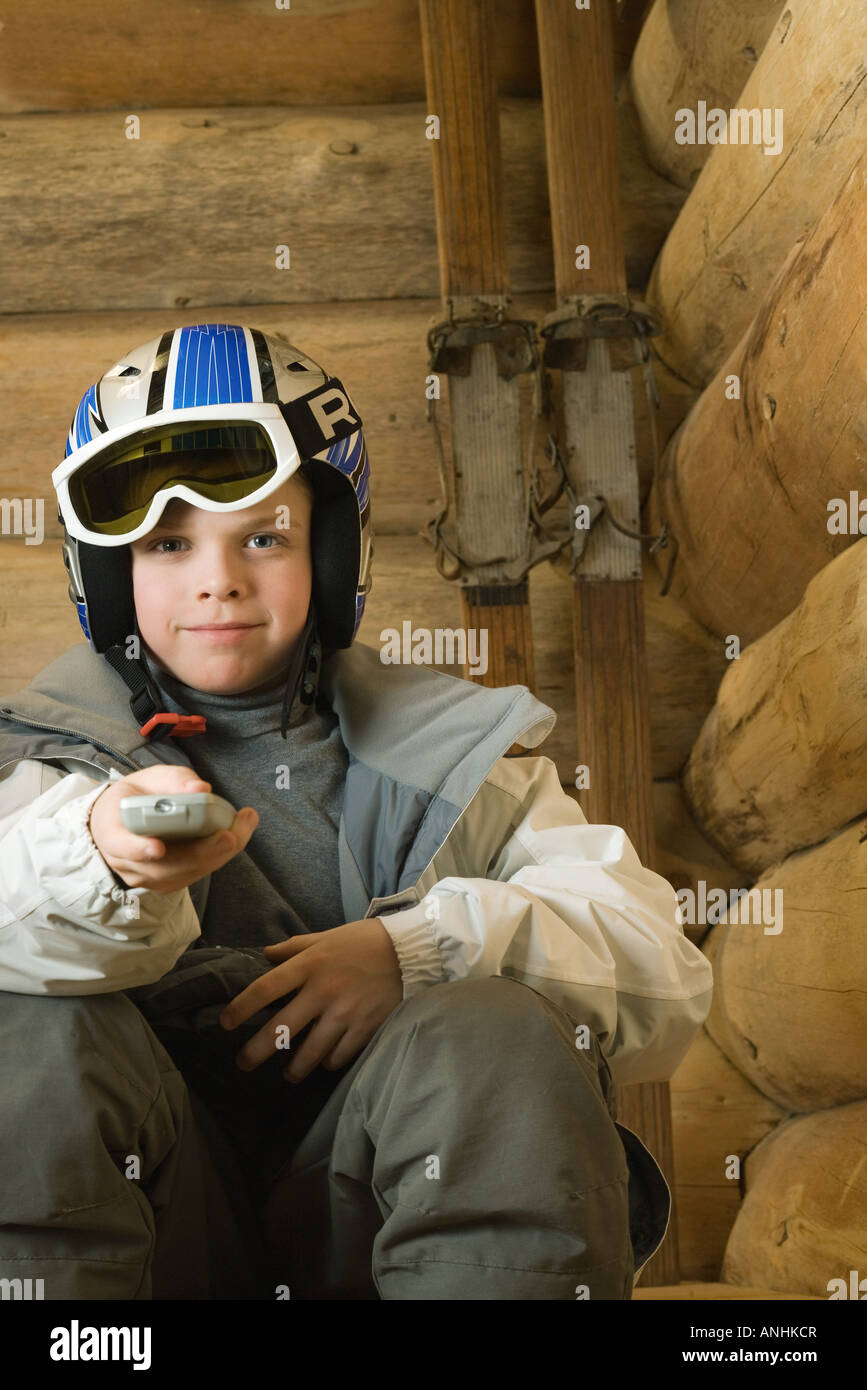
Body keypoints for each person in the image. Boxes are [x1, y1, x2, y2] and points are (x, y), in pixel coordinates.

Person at [0, 322, 712, 1301]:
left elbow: (665, 977)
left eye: (263, 534)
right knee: (30, 1028)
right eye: (168, 542)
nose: (217, 577)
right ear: (110, 571)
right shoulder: (42, 760)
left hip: (369, 1223)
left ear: (334, 547)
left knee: (490, 1029)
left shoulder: (453, 756)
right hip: (159, 1239)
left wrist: (420, 951)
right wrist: (102, 857)